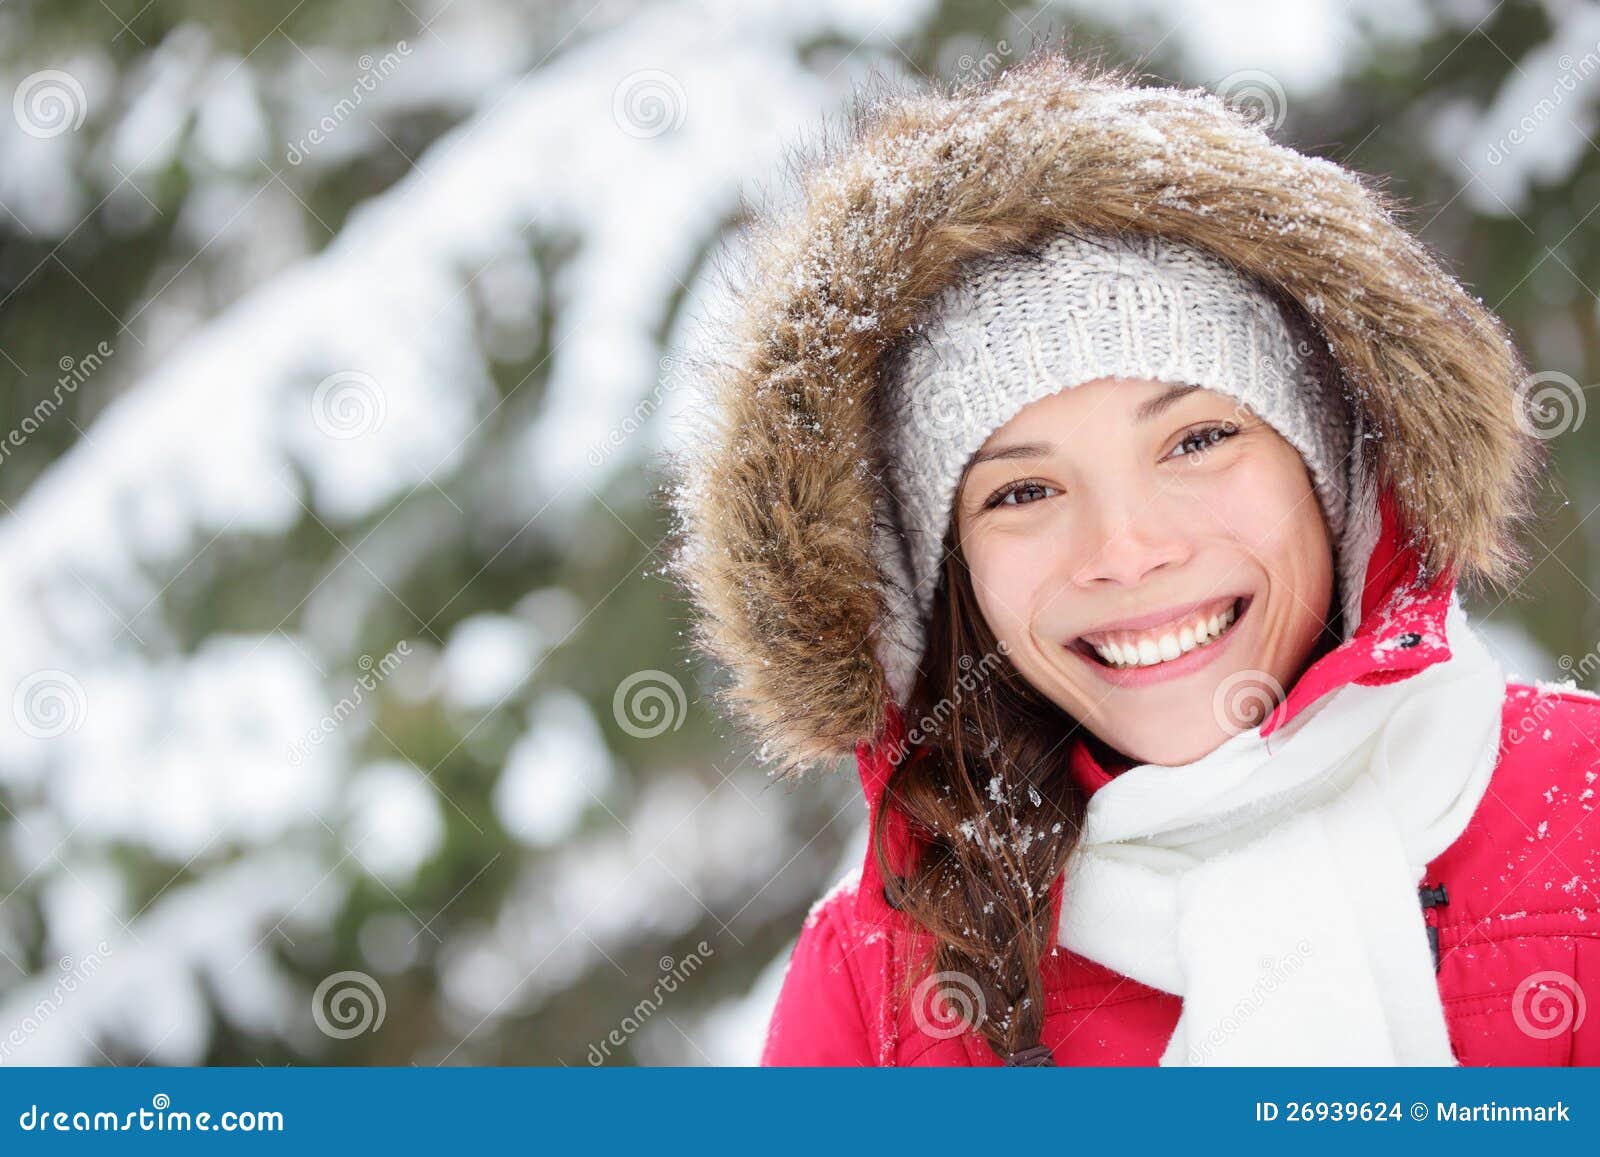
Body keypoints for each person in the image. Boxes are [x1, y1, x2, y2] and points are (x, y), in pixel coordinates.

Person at [664, 46, 1600, 1066]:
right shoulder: (881, 979)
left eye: (1196, 440)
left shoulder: (1580, 811)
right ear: (945, 574)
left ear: (1332, 465)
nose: (1126, 550)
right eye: (1023, 491)